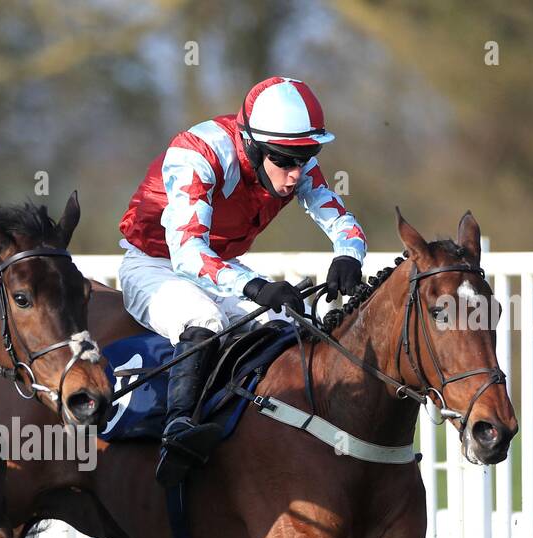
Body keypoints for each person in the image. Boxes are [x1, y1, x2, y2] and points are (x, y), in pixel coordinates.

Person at [117, 76, 367, 485]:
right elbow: (188, 254)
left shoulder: (288, 154)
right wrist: (258, 287)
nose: (294, 174)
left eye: (305, 158)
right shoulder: (197, 154)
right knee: (205, 319)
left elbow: (343, 223)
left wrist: (348, 256)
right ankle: (177, 432)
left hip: (215, 270)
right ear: (252, 145)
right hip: (155, 265)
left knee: (290, 325)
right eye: (285, 161)